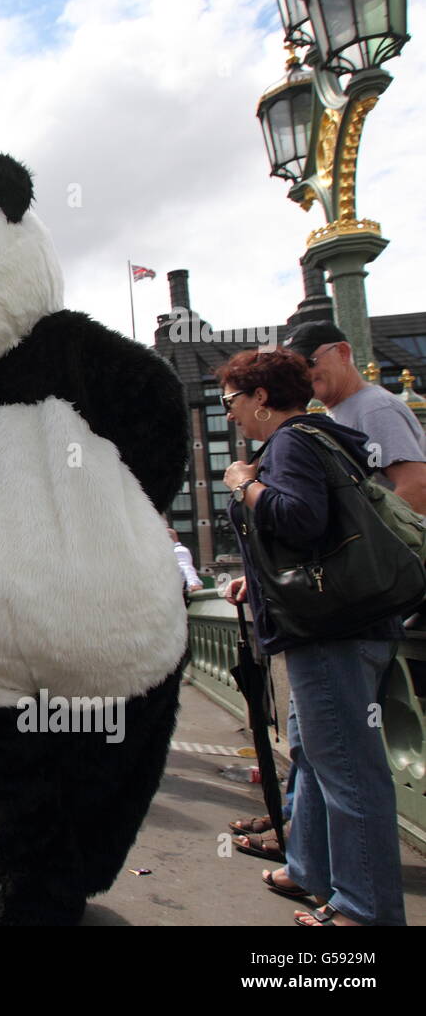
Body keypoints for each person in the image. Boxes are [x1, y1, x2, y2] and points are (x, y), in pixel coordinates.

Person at [217, 347, 405, 927]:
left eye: (232, 401)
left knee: (347, 771)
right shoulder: (328, 436)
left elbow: (300, 518)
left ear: (262, 398)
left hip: (328, 632)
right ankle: (312, 870)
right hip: (354, 621)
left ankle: (365, 910)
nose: (229, 415)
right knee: (319, 762)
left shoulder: (291, 442)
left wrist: (244, 485)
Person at [285, 320, 426, 512]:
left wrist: (376, 540)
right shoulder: (346, 408)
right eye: (297, 369)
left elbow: (417, 486)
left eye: (310, 363)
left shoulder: (374, 408)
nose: (305, 374)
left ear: (342, 352)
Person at [168, 528, 203, 596]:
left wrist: (193, 584)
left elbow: (186, 567)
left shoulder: (178, 550)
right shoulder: (172, 550)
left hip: (179, 591)